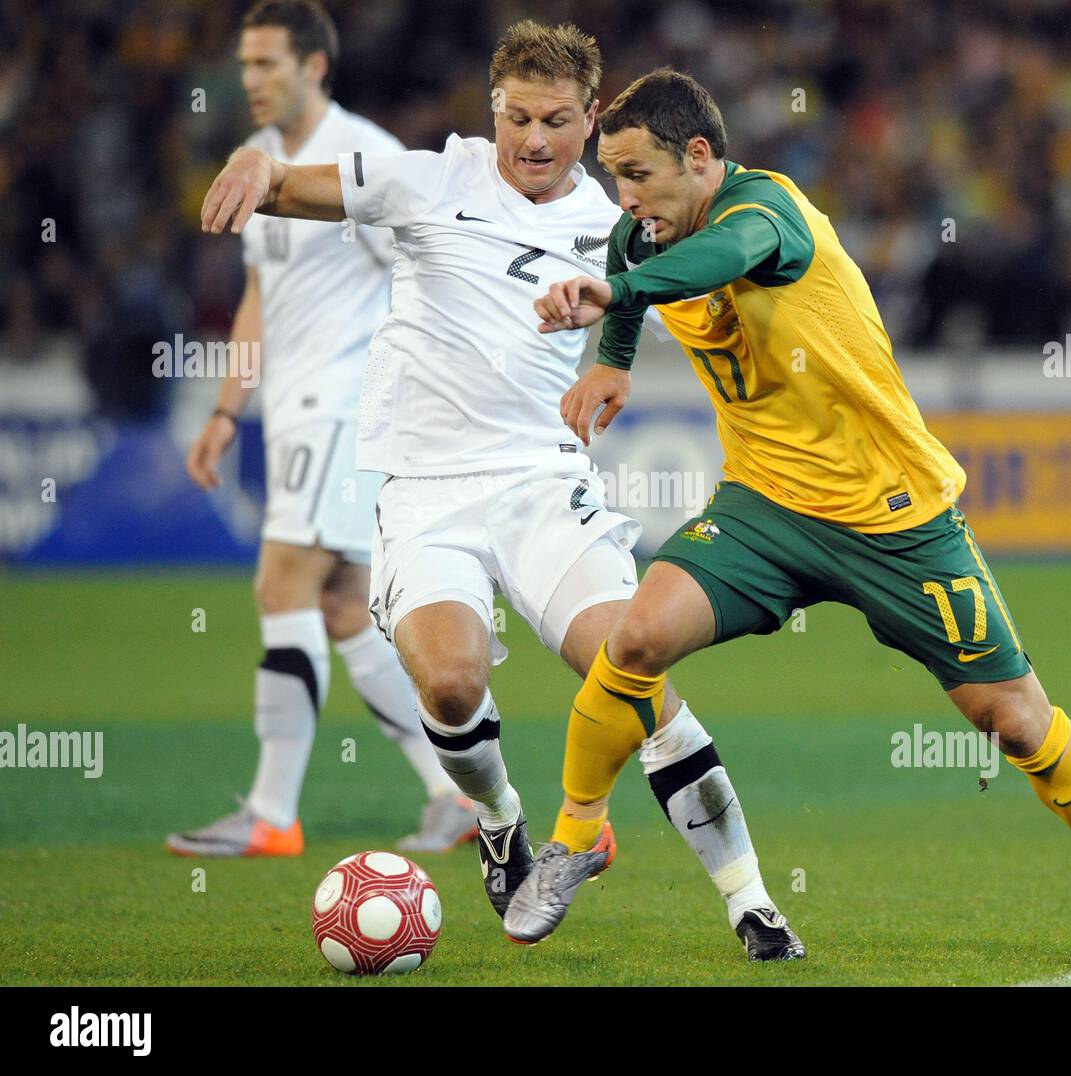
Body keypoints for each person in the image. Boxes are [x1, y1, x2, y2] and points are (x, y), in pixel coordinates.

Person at [508, 68, 1071, 966]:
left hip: (892, 514)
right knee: (636, 637)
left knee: (1012, 718)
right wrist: (615, 358)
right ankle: (577, 835)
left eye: (640, 175)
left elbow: (713, 262)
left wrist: (619, 300)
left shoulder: (765, 216)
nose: (625, 200)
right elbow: (633, 262)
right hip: (765, 507)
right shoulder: (644, 232)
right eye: (613, 176)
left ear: (700, 157)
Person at [198, 23, 801, 957]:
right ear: (493, 111)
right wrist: (250, 161)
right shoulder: (431, 179)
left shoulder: (618, 227)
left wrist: (616, 358)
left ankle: (752, 902)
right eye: (517, 116)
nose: (533, 138)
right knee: (449, 681)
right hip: (427, 487)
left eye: (556, 121)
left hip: (543, 482)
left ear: (591, 119)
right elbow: (288, 182)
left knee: (632, 670)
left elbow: (681, 300)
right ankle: (501, 819)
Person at [169, 0, 475, 858]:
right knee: (343, 606)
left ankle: (271, 813)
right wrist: (228, 410)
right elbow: (260, 297)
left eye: (268, 63)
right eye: (245, 65)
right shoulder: (261, 162)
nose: (251, 80)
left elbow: (425, 276)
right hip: (292, 408)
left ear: (315, 67)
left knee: (281, 587)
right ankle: (455, 795)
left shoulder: (366, 160)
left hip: (344, 408)